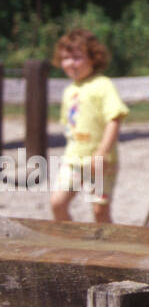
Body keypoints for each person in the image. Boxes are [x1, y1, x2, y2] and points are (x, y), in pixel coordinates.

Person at [50, 30, 127, 224]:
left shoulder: (102, 85)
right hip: (73, 160)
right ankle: (70, 242)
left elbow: (115, 118)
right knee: (57, 203)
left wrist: (102, 151)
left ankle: (108, 250)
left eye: (77, 58)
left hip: (100, 162)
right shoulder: (69, 90)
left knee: (99, 210)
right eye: (66, 58)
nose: (71, 63)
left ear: (93, 58)